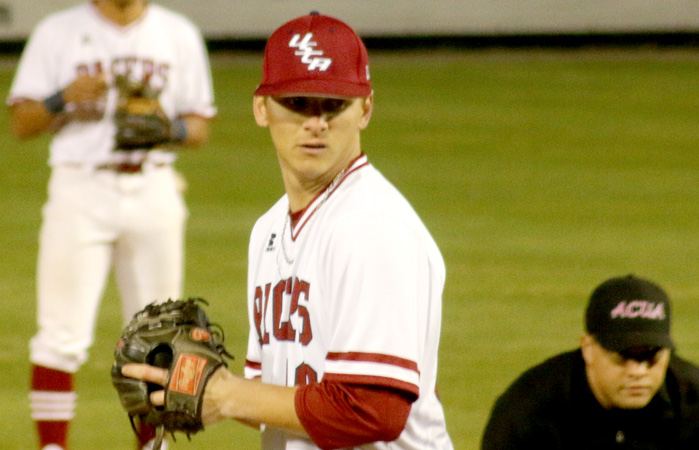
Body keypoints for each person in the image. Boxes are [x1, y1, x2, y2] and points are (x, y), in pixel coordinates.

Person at [121, 11, 454, 450]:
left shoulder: (372, 226)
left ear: (366, 109)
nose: (315, 122)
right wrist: (197, 387)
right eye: (297, 103)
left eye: (333, 104)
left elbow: (374, 411)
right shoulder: (269, 230)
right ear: (262, 108)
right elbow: (276, 401)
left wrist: (225, 392)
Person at [5, 1, 216, 449]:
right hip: (81, 189)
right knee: (60, 336)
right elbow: (22, 122)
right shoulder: (57, 32)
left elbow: (199, 125)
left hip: (154, 187)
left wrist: (169, 128)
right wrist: (63, 97)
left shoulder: (177, 34)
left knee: (159, 336)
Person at [481, 274, 699, 450]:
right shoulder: (529, 410)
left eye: (652, 359)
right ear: (588, 348)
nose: (638, 372)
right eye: (622, 357)